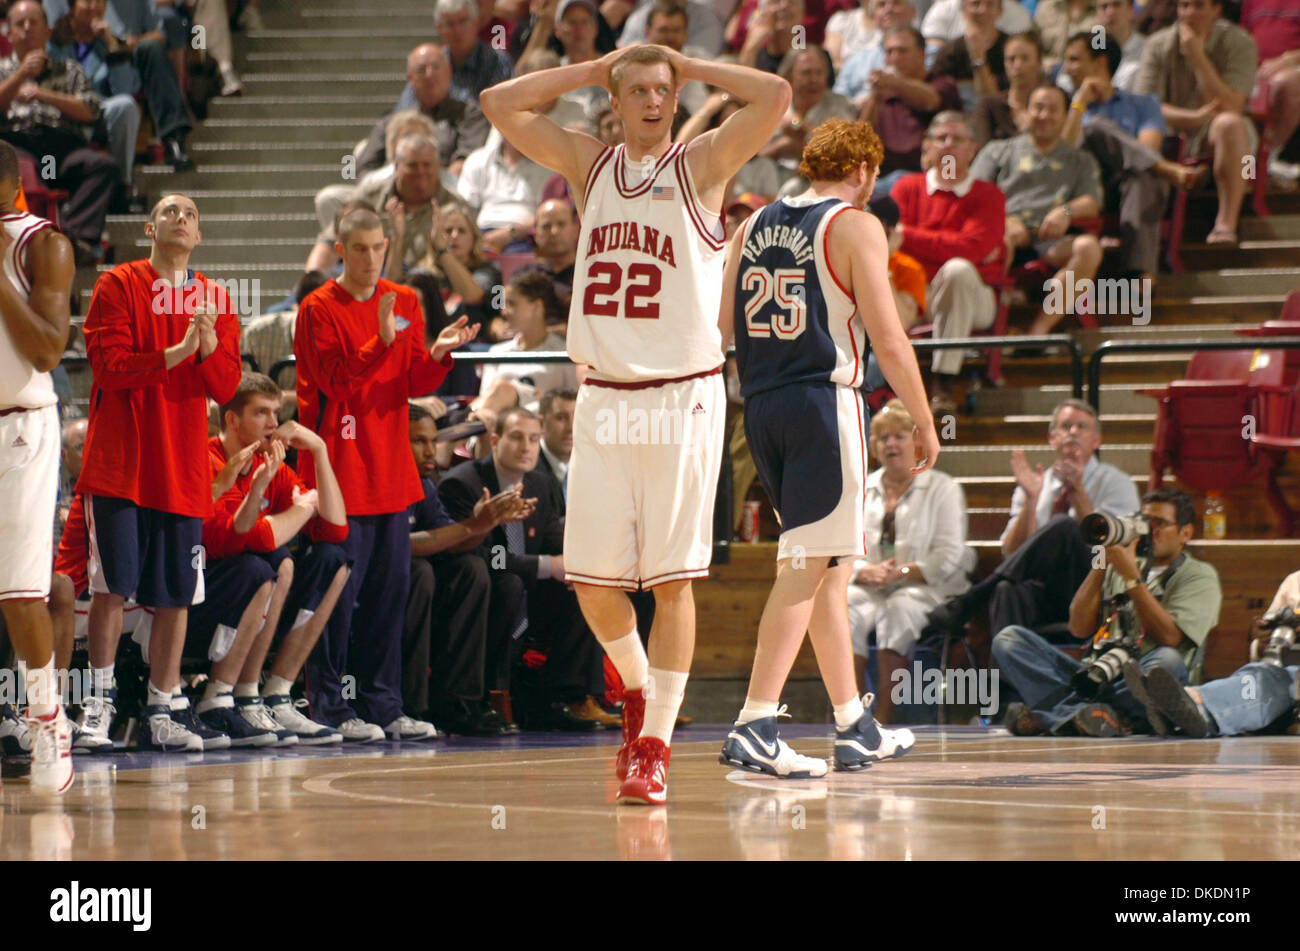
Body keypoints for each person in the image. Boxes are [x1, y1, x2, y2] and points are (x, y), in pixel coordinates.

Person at [481, 43, 789, 804]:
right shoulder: (591, 167)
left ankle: (652, 744)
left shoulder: (704, 164)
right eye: (640, 91)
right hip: (605, 396)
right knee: (592, 581)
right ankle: (644, 691)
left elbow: (776, 95)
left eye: (664, 91)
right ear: (616, 104)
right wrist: (594, 70)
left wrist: (687, 61)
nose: (655, 101)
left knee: (672, 581)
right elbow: (499, 105)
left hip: (680, 394)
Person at [716, 117, 939, 778]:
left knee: (829, 571)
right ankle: (756, 718)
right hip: (822, 401)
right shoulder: (854, 223)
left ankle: (853, 723)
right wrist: (925, 420)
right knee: (808, 564)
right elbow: (890, 339)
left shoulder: (750, 225)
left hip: (760, 407)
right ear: (865, 170)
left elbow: (725, 322)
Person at [293, 205, 479, 742]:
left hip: (390, 473)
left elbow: (412, 377)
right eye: (361, 249)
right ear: (340, 250)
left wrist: (439, 356)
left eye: (379, 248)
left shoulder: (406, 300)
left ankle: (383, 704)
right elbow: (335, 383)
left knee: (388, 596)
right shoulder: (316, 308)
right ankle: (330, 707)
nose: (372, 259)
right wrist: (379, 339)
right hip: (339, 474)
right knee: (336, 599)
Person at [76, 193, 242, 753]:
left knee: (176, 594)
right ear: (149, 228)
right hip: (121, 465)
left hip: (183, 467)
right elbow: (109, 367)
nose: (182, 219)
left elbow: (225, 387)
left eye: (191, 215)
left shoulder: (216, 297)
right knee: (111, 586)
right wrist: (179, 352)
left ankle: (161, 707)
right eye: (171, 212)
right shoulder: (116, 285)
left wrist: (210, 346)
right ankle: (96, 707)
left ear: (199, 237)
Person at [193, 374, 352, 745]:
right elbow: (250, 536)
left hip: (250, 597)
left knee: (334, 561)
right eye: (261, 413)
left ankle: (275, 696)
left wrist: (319, 451)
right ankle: (223, 698)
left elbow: (336, 529)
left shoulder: (275, 467)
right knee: (270, 563)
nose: (272, 423)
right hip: (197, 597)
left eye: (276, 413)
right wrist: (304, 508)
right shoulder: (209, 458)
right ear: (232, 420)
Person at [995, 489, 1222, 736]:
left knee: (1167, 661)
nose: (1150, 530)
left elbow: (1170, 638)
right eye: (1145, 521)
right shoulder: (1118, 564)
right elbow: (1078, 627)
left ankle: (1058, 713)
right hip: (1094, 677)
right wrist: (1102, 563)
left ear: (1185, 533)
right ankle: (1095, 716)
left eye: (1160, 523)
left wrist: (1132, 577)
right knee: (1009, 640)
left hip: (1143, 678)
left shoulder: (1198, 575)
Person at [438, 407, 611, 729]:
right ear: (494, 440)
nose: (526, 448)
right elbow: (485, 556)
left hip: (527, 588)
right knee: (510, 584)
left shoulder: (540, 484)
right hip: (478, 591)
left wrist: (580, 561)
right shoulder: (463, 484)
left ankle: (562, 697)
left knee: (583, 583)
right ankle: (482, 699)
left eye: (534, 439)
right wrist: (549, 565)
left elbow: (553, 537)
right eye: (516, 437)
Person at [928, 398, 1141, 640]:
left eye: (1082, 427)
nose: (1073, 433)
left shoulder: (1116, 483)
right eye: (1066, 426)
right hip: (1045, 590)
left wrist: (1079, 493)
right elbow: (1012, 552)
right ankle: (1005, 675)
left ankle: (974, 597)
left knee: (1065, 527)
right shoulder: (1037, 482)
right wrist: (1030, 500)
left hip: (1095, 583)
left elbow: (1113, 548)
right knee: (1006, 589)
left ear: (1096, 440)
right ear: (1052, 438)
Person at [0, 138, 76, 791]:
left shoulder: (42, 244)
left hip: (22, 423)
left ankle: (47, 716)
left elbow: (51, 348)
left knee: (21, 588)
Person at [404, 402, 533, 735]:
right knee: (422, 572)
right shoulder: (387, 483)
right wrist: (473, 525)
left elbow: (450, 539)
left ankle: (460, 704)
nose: (431, 450)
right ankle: (409, 705)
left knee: (473, 570)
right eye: (419, 441)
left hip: (425, 585)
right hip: (386, 582)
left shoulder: (426, 485)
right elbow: (402, 545)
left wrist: (480, 525)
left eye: (434, 440)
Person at [847, 400, 972, 722]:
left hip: (928, 587)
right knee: (844, 606)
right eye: (883, 438)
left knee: (899, 608)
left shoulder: (943, 488)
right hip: (872, 584)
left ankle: (884, 714)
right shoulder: (862, 489)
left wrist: (902, 572)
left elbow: (949, 557)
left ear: (917, 441)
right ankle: (851, 711)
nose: (891, 444)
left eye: (899, 436)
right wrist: (863, 571)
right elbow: (845, 549)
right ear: (874, 446)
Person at [1060, 30, 1206, 283]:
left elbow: (1146, 150)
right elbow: (1063, 156)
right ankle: (1171, 170)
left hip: (1129, 187)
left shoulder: (1143, 104)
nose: (1066, 68)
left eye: (1074, 60)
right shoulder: (1066, 106)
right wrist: (1080, 101)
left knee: (1142, 178)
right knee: (1095, 127)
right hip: (1084, 190)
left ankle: (1138, 276)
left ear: (1100, 62)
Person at [892, 110, 1005, 412]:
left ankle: (944, 380)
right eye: (941, 138)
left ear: (972, 149)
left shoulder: (989, 195)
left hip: (974, 296)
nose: (948, 145)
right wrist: (948, 247)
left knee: (957, 271)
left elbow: (972, 250)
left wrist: (909, 237)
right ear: (927, 146)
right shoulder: (906, 188)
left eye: (957, 139)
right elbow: (890, 247)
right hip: (915, 291)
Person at [970, 84, 1103, 336]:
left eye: (1053, 110)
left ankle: (1038, 331)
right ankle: (993, 333)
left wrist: (1065, 211)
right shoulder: (998, 151)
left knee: (1089, 248)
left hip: (1049, 239)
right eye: (1038, 108)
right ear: (1025, 112)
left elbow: (1091, 202)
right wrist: (1003, 221)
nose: (1045, 116)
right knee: (999, 240)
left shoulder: (1080, 159)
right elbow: (973, 194)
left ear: (1065, 116)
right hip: (1003, 234)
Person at [1133, 0, 1259, 245]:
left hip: (1226, 136)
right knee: (1140, 130)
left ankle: (1226, 223)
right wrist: (1194, 117)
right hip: (1173, 131)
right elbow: (1145, 105)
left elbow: (1231, 104)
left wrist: (1198, 57)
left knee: (1229, 124)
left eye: (1198, 6)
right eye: (1184, 6)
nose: (1189, 13)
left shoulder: (1240, 42)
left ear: (1216, 10)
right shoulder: (1157, 43)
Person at [0, 1, 117, 264]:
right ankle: (29, 242)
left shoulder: (70, 69)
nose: (27, 29)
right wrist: (20, 75)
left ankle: (72, 239)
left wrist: (44, 95)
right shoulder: (2, 70)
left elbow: (91, 109)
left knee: (101, 165)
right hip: (19, 146)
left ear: (47, 32)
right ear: (9, 34)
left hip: (62, 149)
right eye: (20, 24)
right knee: (21, 168)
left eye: (34, 22)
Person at [1122, 569, 1300, 738]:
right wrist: (1263, 638)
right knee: (1259, 676)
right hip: (1283, 687)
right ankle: (1193, 708)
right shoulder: (1295, 582)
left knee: (1281, 682)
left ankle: (1189, 706)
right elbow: (1267, 654)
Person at [859, 26, 963, 195]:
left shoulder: (942, 83)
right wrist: (875, 98)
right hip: (882, 179)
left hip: (928, 178)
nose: (895, 58)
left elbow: (929, 100)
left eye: (902, 51)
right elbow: (860, 139)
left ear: (922, 55)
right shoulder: (883, 92)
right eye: (890, 52)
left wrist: (895, 82)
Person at [473, 268, 579, 416]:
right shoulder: (497, 352)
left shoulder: (563, 353)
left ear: (537, 307)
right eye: (504, 303)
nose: (504, 311)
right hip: (496, 428)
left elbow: (573, 406)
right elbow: (485, 399)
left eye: (512, 304)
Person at [972, 30, 1043, 143]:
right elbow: (983, 150)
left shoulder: (1049, 108)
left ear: (1039, 63)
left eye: (1025, 58)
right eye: (1011, 59)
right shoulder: (989, 105)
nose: (1017, 65)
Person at [534, 386, 576, 501]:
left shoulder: (592, 466)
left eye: (578, 418)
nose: (571, 428)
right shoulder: (527, 469)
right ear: (541, 424)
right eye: (561, 418)